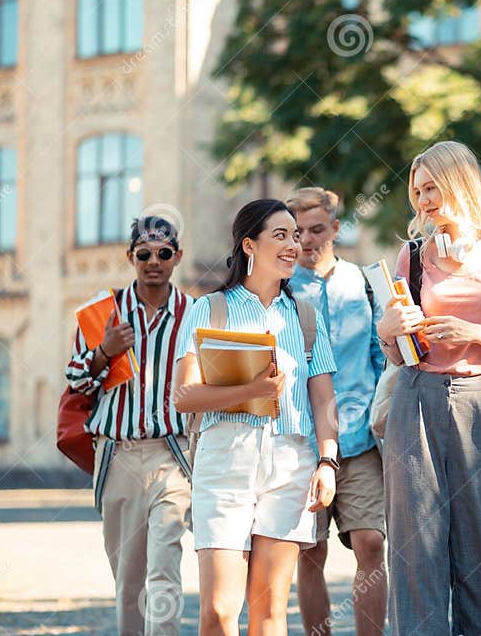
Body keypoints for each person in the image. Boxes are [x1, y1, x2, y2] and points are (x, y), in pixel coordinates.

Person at [376, 140, 481, 635]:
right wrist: (389, 329)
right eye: (417, 191)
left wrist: (476, 334)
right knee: (415, 555)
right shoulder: (410, 256)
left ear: (460, 183)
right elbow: (397, 353)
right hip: (416, 400)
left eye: (432, 188)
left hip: (479, 404)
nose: (423, 200)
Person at [173, 199, 339, 636]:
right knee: (219, 610)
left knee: (269, 615)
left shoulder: (306, 317)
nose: (294, 244)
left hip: (291, 463)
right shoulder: (210, 309)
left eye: (296, 235)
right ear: (249, 244)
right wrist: (253, 391)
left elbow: (323, 399)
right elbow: (183, 397)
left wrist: (328, 461)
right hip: (225, 459)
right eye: (280, 235)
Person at [65, 216, 194, 636]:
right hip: (117, 455)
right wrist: (104, 351)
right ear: (130, 257)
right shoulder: (104, 311)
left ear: (177, 257)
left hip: (171, 455)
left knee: (164, 570)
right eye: (144, 254)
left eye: (163, 253)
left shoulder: (194, 313)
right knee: (128, 579)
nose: (153, 261)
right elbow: (77, 381)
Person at [287, 187, 387, 636]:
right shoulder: (282, 291)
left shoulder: (364, 284)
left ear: (335, 228)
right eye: (298, 232)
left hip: (360, 440)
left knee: (371, 542)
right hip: (303, 445)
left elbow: (380, 358)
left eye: (316, 229)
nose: (307, 240)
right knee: (310, 552)